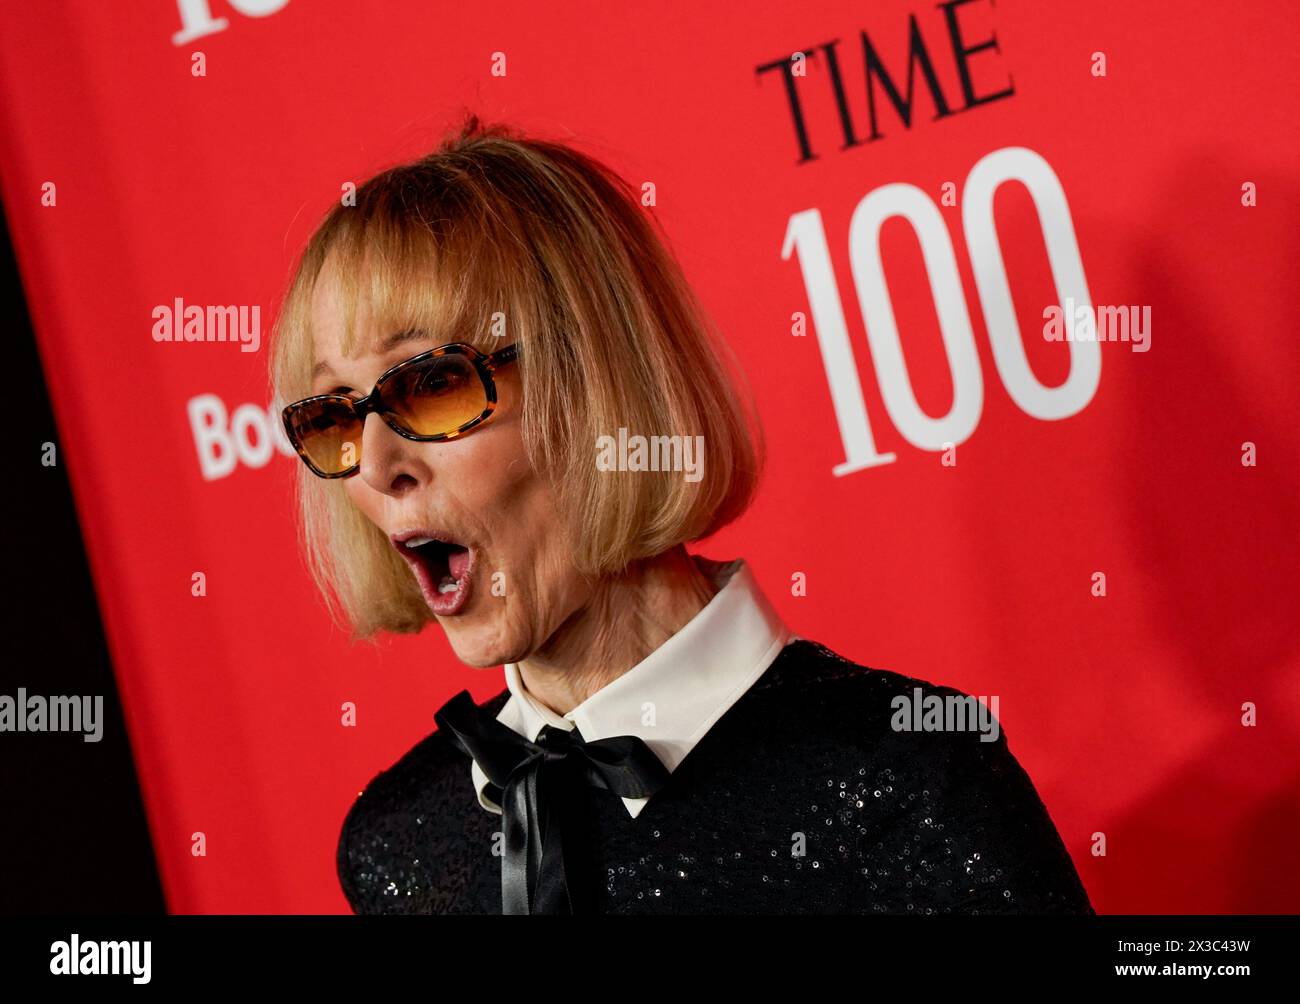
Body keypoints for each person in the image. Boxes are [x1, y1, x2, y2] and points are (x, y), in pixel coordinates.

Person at [270, 115, 1093, 915]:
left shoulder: (903, 783)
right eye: (334, 415)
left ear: (599, 389)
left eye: (429, 383)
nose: (375, 468)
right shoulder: (397, 845)